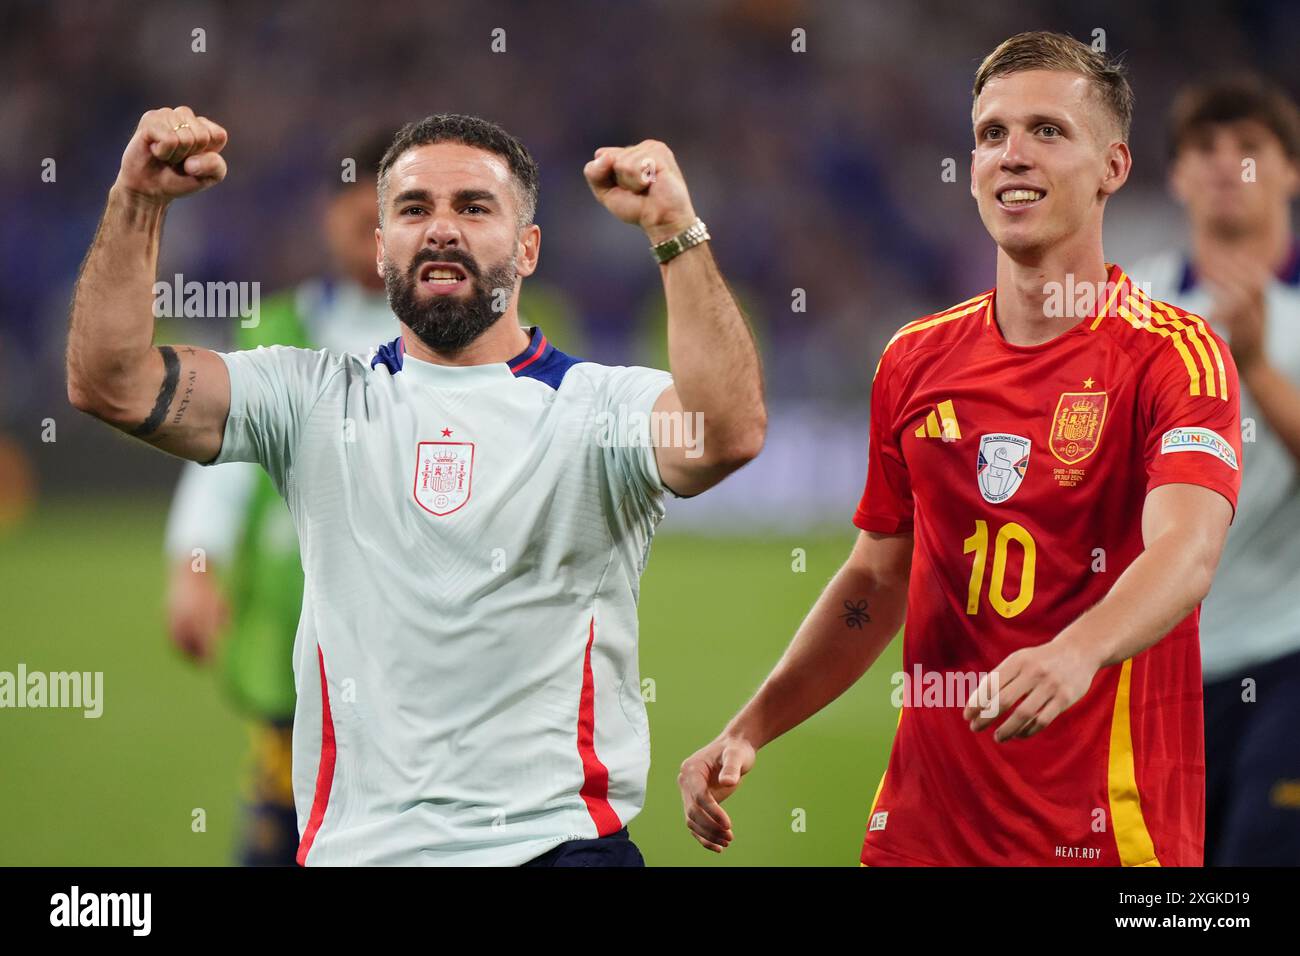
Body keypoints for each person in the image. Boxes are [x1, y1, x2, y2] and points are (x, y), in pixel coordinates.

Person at [66, 108, 765, 866]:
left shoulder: (601, 406)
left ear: (527, 248)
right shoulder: (310, 396)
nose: (440, 228)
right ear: (381, 245)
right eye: (412, 209)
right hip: (357, 852)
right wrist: (135, 199)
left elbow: (726, 433)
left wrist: (674, 228)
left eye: (473, 207)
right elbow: (112, 382)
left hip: (558, 847)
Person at [679, 31, 1242, 866]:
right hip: (922, 833)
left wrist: (1075, 650)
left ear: (1113, 169)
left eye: (1048, 131)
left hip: (1107, 831)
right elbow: (876, 576)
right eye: (991, 134)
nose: (1012, 155)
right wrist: (751, 726)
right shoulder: (915, 359)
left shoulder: (1171, 355)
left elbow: (1188, 552)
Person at [163, 128, 395, 866]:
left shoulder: (452, 334)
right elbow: (220, 467)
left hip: (409, 646)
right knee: (281, 839)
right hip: (292, 640)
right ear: (329, 216)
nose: (372, 230)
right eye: (359, 212)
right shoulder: (278, 328)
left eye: (391, 211)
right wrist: (194, 567)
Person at [1129, 75, 1300, 866]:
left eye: (1251, 150)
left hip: (1287, 656)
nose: (1226, 166)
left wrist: (1259, 367)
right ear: (1175, 176)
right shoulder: (1129, 308)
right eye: (1204, 150)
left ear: (1291, 172)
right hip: (1151, 666)